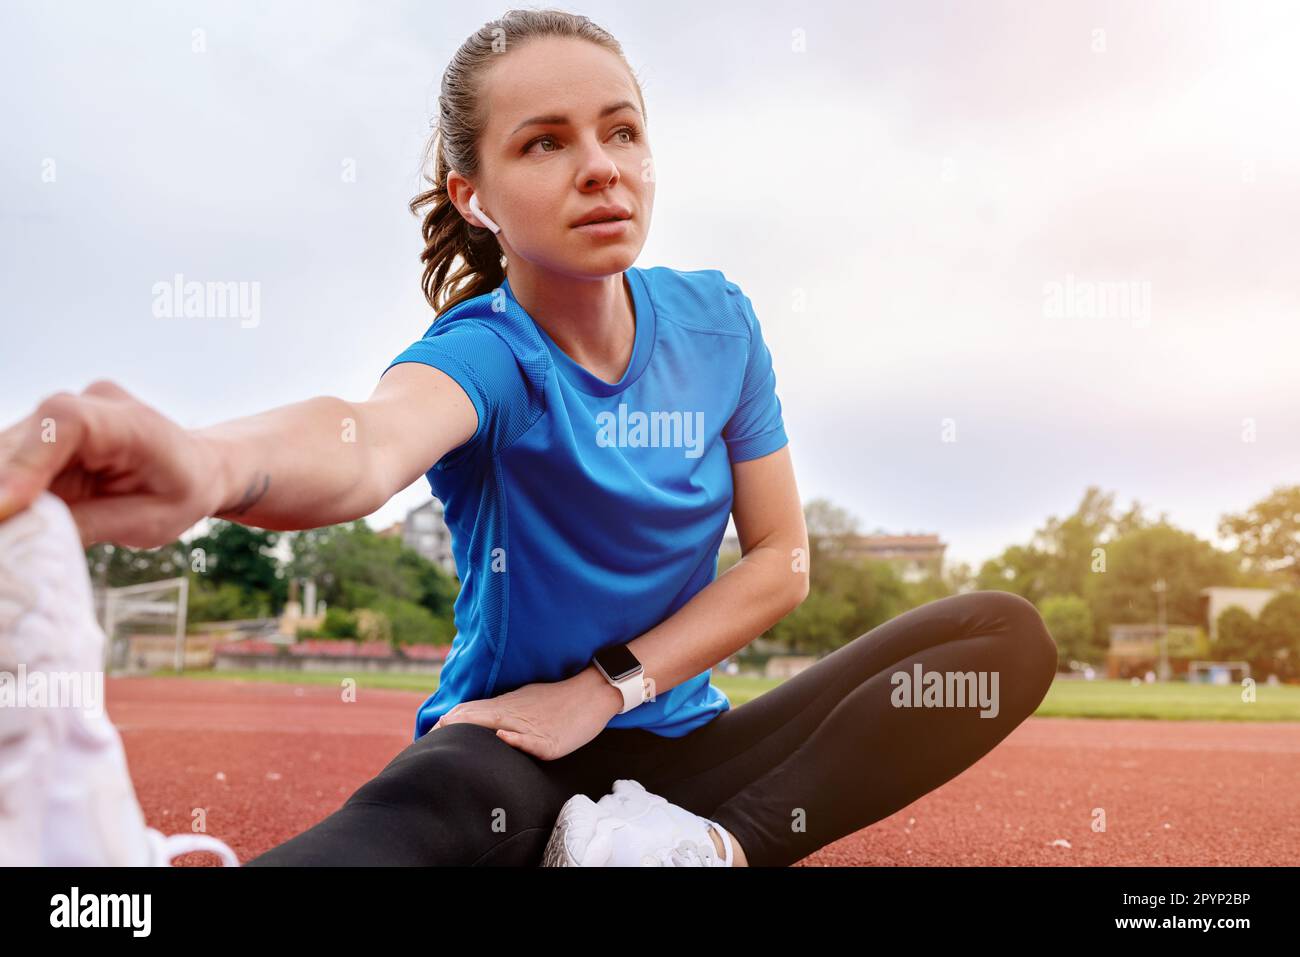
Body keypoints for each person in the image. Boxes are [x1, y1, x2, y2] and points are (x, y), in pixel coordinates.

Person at [0, 9, 1058, 867]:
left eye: (621, 130)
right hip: (512, 750)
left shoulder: (718, 324)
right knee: (421, 815)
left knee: (1001, 636)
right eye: (544, 142)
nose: (600, 167)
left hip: (682, 752)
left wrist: (604, 692)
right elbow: (366, 441)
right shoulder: (490, 355)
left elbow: (781, 562)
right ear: (475, 195)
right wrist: (209, 464)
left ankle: (698, 858)